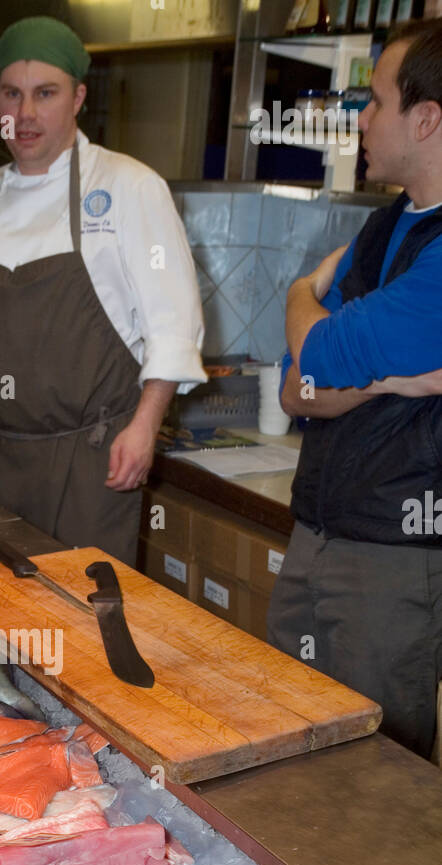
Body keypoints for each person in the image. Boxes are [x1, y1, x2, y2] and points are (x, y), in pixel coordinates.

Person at [0, 15, 205, 566]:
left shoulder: (129, 187)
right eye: (13, 94)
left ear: (78, 98)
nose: (25, 114)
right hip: (1, 457)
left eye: (45, 94)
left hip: (94, 461)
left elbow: (173, 327)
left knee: (81, 628)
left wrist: (144, 428)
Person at [269, 18, 442, 759]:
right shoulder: (382, 228)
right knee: (287, 754)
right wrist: (389, 382)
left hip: (392, 559)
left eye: (374, 102)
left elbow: (323, 348)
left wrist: (301, 296)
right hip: (314, 533)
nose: (360, 119)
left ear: (426, 118)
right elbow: (296, 386)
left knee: (375, 785)